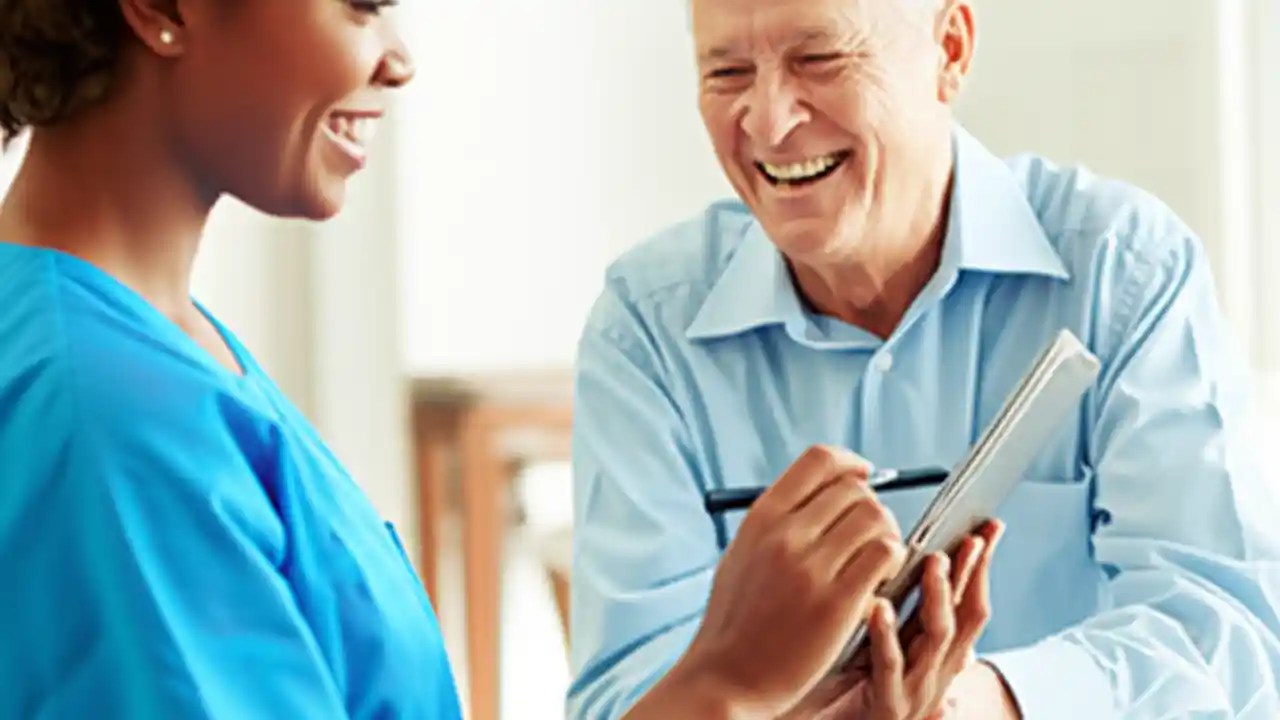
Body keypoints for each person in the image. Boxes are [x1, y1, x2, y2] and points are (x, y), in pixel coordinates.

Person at [0, 1, 995, 718]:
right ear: (161, 8)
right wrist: (721, 681)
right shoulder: (111, 418)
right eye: (361, 6)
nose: (398, 60)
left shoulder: (161, 350)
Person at [567, 0, 1280, 718]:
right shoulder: (646, 329)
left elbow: (1228, 639)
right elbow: (624, 698)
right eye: (726, 72)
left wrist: (968, 704)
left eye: (819, 59)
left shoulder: (1126, 273)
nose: (769, 121)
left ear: (951, 49)